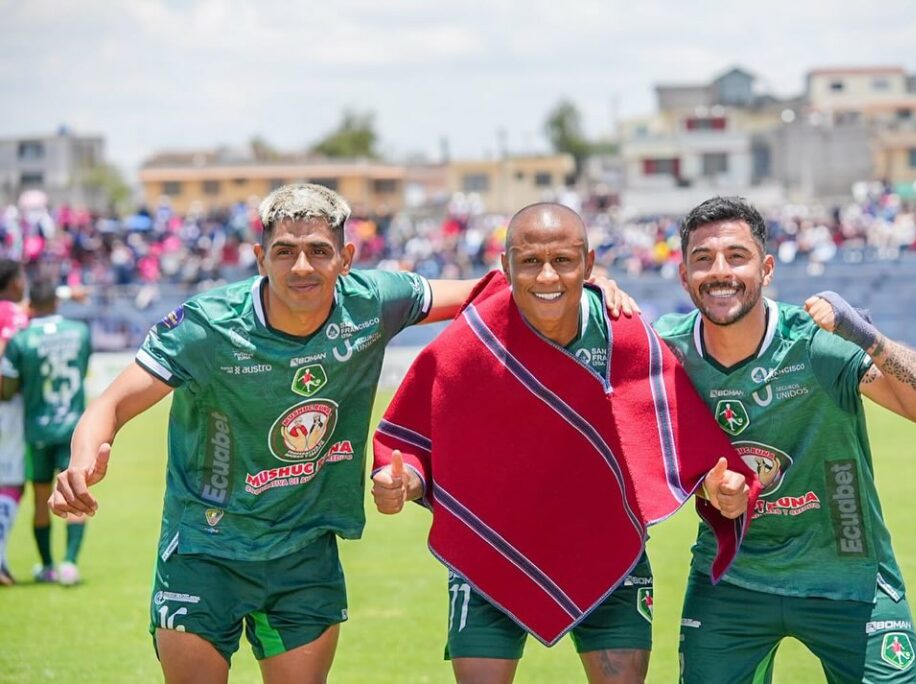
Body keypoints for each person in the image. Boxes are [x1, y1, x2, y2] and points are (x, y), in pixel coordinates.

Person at [47, 184, 634, 684]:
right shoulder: (209, 325)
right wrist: (82, 458)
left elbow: (494, 289)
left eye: (318, 251)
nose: (301, 267)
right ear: (259, 257)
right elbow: (113, 401)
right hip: (206, 548)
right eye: (284, 251)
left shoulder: (373, 302)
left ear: (346, 256)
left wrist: (588, 281)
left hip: (305, 551)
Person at [371, 203, 757, 684]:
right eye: (530, 261)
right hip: (490, 545)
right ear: (506, 265)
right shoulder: (474, 338)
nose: (547, 275)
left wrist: (718, 488)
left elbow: (681, 440)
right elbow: (416, 443)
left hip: (606, 543)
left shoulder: (622, 331)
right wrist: (403, 480)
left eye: (564, 260)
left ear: (589, 264)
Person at [654, 196, 916, 683]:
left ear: (766, 268)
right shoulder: (667, 351)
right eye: (702, 259)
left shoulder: (815, 341)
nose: (719, 271)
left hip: (848, 578)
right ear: (684, 275)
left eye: (737, 256)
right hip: (732, 582)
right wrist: (706, 488)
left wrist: (868, 338)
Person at [1, 278, 92, 586]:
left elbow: (8, 388)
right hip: (74, 429)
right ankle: (70, 564)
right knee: (77, 494)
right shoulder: (80, 332)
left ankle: (48, 566)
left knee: (42, 499)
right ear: (56, 302)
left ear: (31, 306)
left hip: (38, 429)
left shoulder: (22, 340)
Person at [0, 258, 29, 585]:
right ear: (16, 282)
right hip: (7, 405)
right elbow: (5, 348)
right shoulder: (11, 313)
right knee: (10, 482)